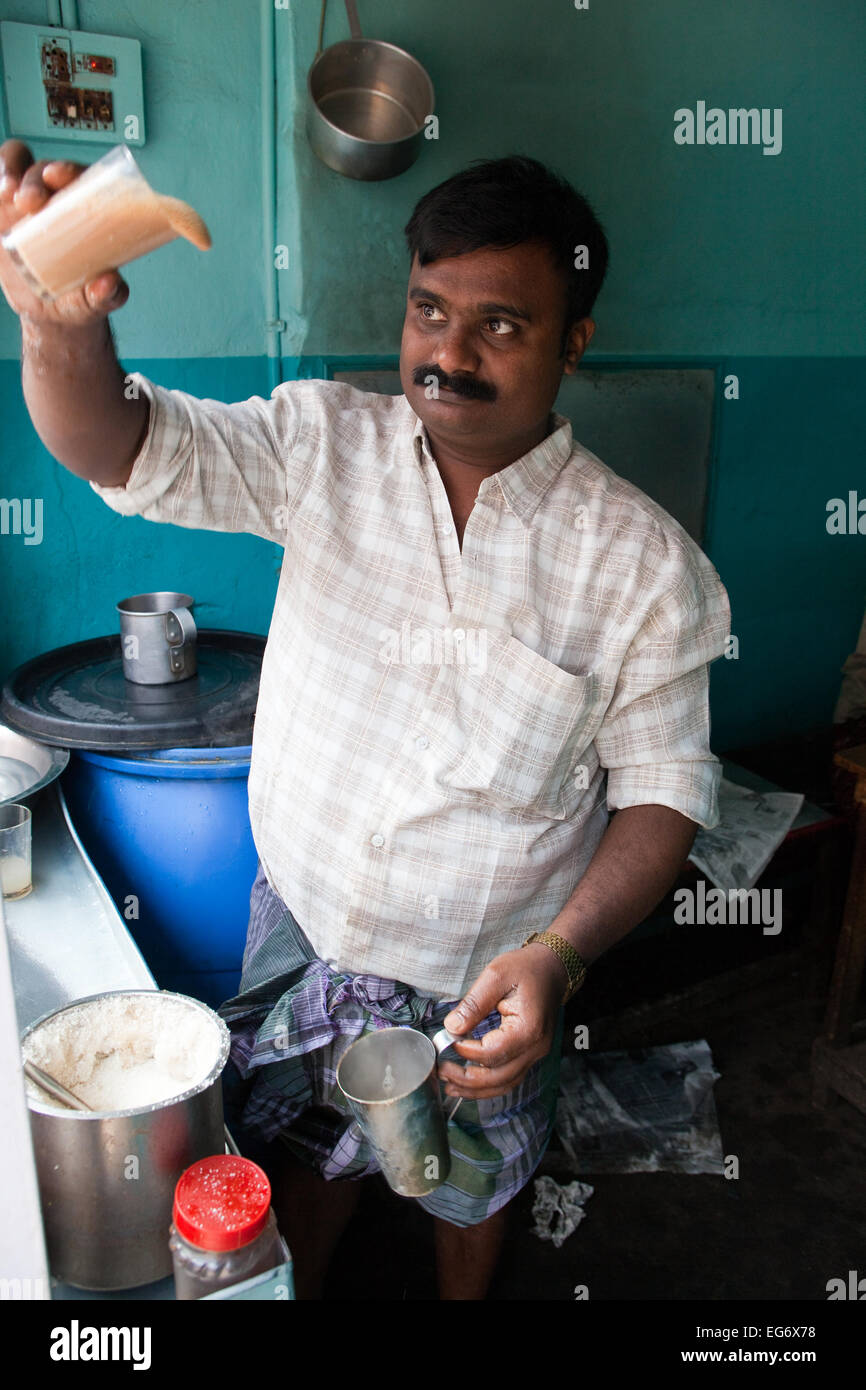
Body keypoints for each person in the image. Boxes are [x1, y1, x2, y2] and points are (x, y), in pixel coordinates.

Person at [0, 147, 730, 1300]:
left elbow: (663, 793)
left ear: (571, 342)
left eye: (500, 325)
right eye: (428, 311)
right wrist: (58, 329)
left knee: (471, 1183)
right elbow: (118, 445)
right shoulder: (322, 447)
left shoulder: (639, 565)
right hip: (303, 928)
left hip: (491, 977)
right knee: (302, 1152)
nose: (447, 353)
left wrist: (556, 957)